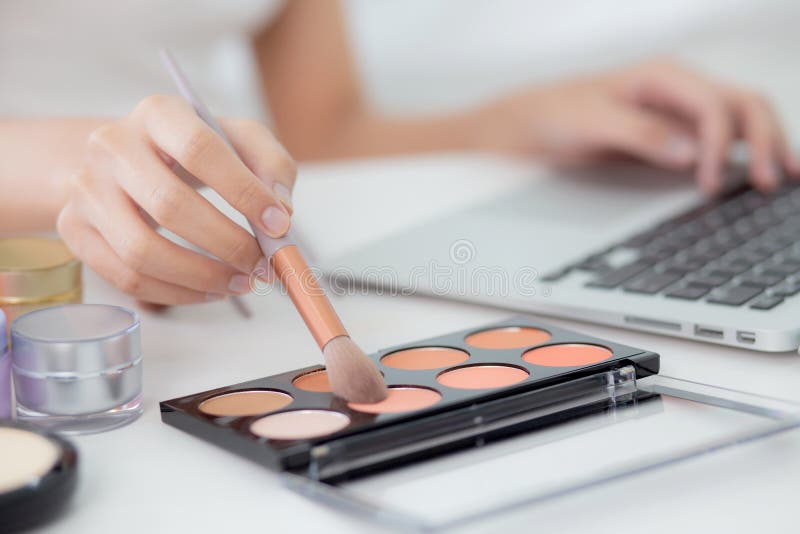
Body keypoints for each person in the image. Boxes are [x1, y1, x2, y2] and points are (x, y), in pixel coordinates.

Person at [1, 1, 796, 305]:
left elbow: (325, 132)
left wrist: (513, 123)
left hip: (219, 287)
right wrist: (68, 164)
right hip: (34, 315)